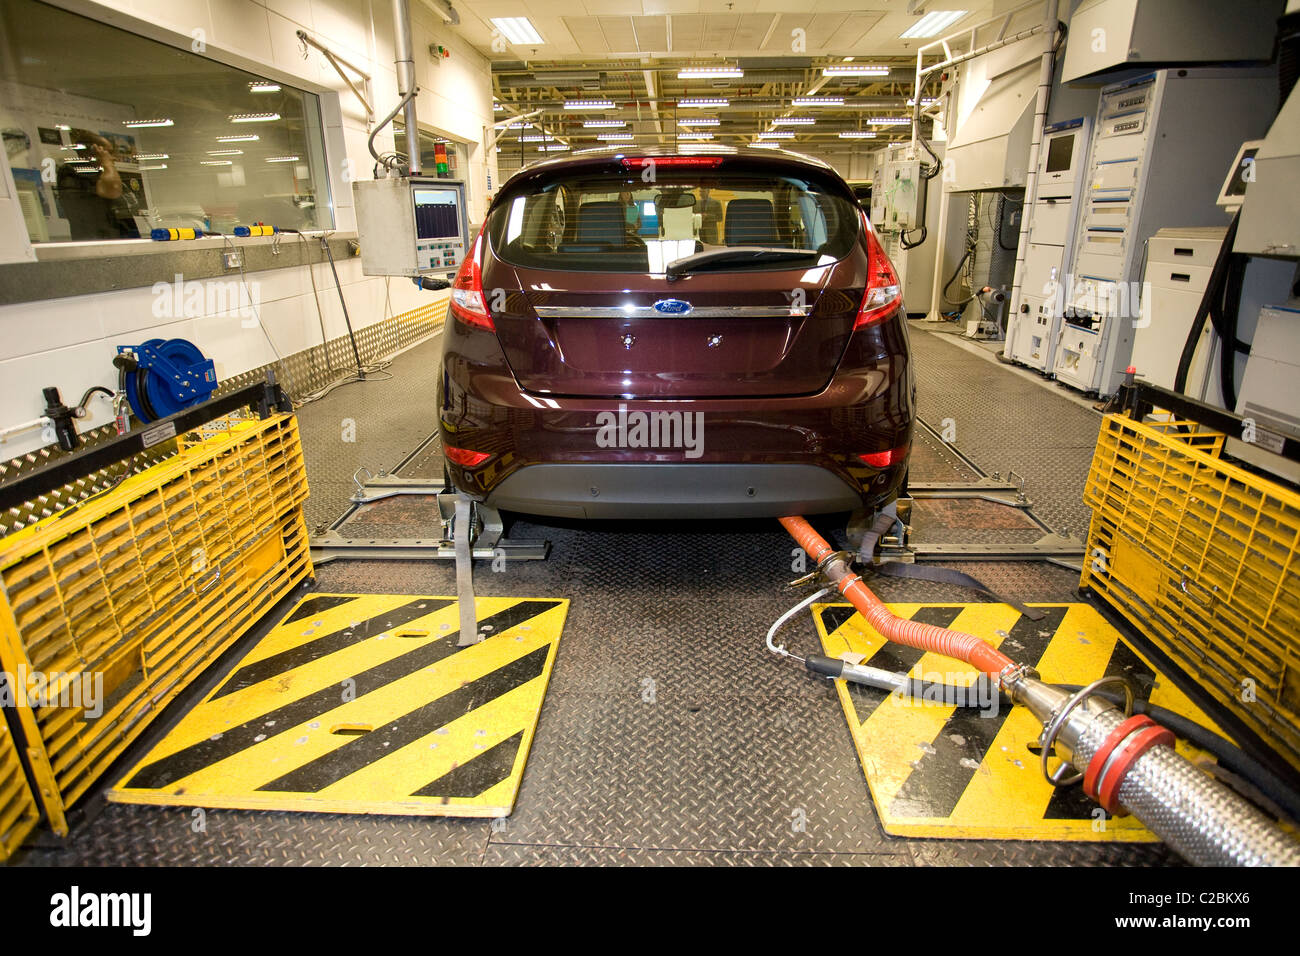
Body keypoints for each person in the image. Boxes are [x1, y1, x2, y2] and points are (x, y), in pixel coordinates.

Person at [55, 129, 140, 239]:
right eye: (108, 152)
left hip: (118, 236)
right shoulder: (73, 172)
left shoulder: (100, 173)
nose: (113, 157)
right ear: (92, 151)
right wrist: (107, 163)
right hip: (100, 239)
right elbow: (113, 190)